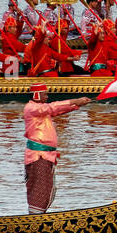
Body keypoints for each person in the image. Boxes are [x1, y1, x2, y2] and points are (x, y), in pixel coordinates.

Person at [23, 85, 91, 214]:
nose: (47, 96)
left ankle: (38, 215)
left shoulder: (41, 110)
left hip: (46, 154)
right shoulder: (32, 108)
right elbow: (51, 107)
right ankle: (35, 217)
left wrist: (77, 105)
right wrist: (75, 101)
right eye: (45, 94)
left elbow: (56, 111)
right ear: (36, 95)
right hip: (38, 155)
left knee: (46, 187)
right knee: (40, 187)